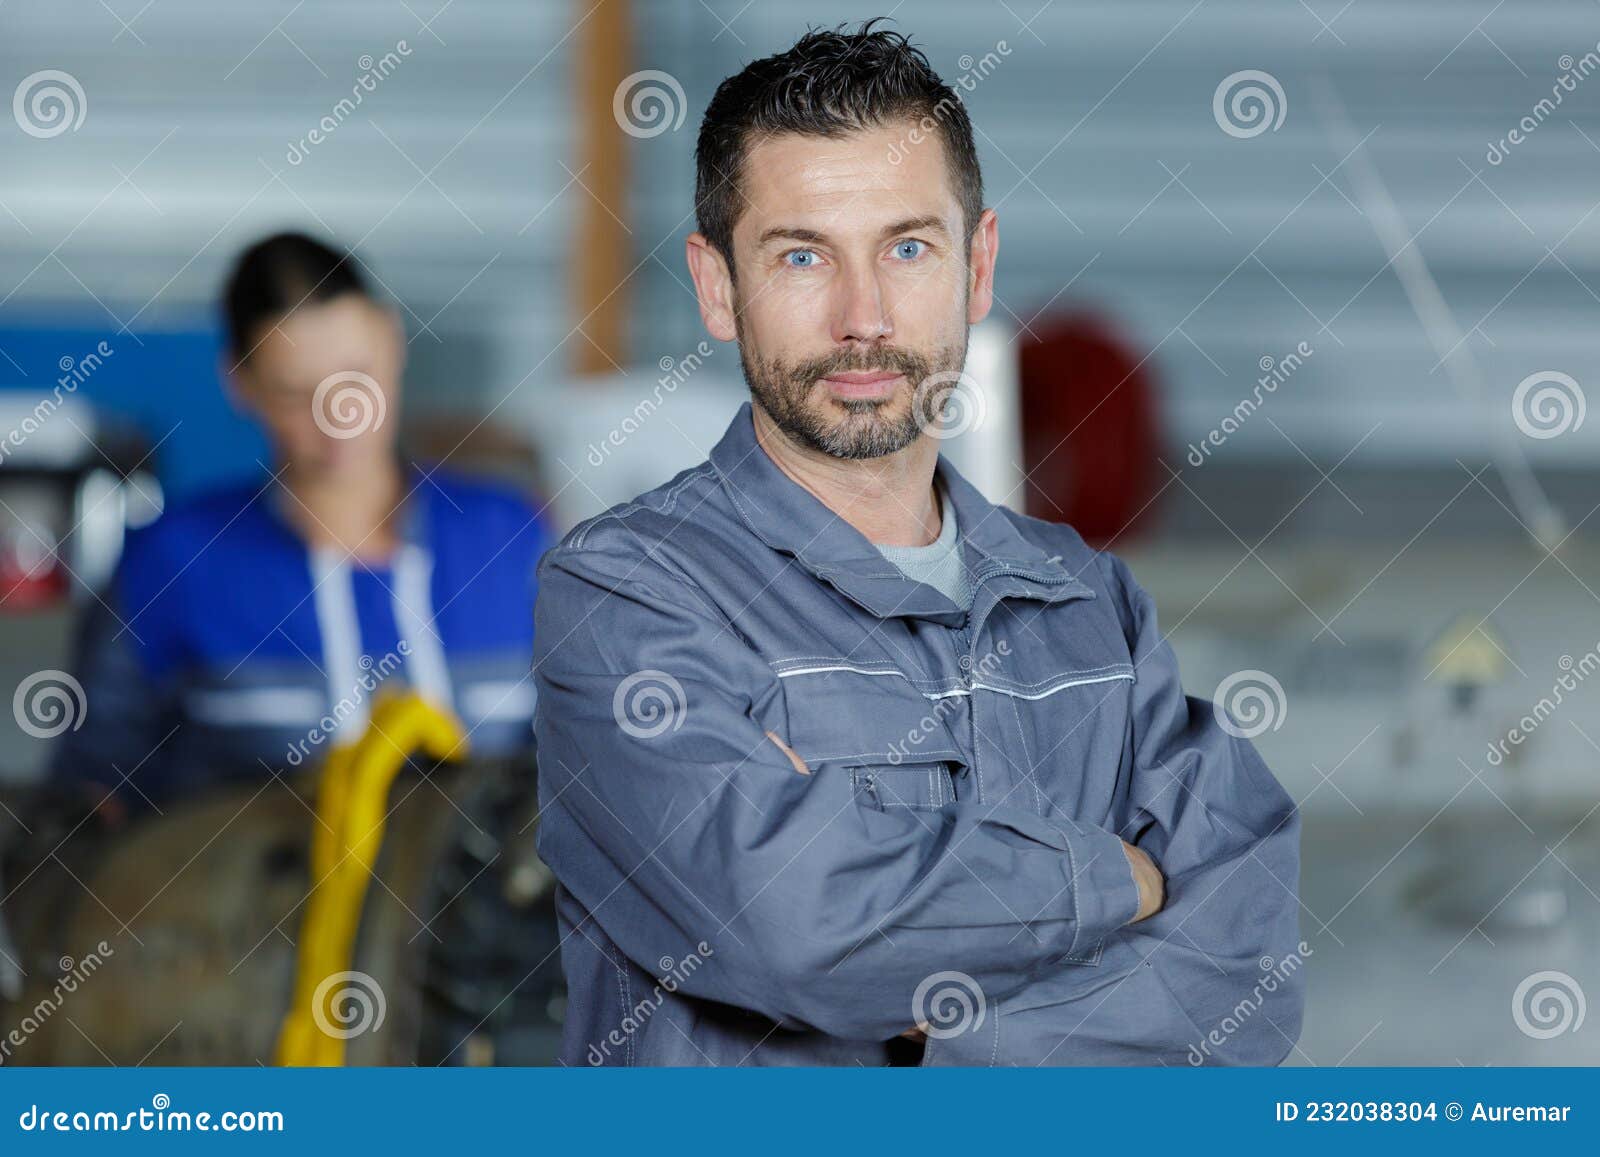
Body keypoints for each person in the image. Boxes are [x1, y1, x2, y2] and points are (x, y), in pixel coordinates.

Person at [532, 23, 1303, 1066]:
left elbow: (1243, 973)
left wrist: (940, 1020)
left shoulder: (1085, 602)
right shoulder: (628, 596)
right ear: (719, 289)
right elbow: (796, 927)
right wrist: (1122, 877)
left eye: (906, 247)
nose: (864, 316)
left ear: (976, 266)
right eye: (801, 254)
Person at [52, 232, 555, 813]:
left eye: (356, 375)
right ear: (240, 383)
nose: (340, 417)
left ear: (393, 340)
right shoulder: (172, 564)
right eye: (297, 393)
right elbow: (87, 812)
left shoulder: (514, 541)